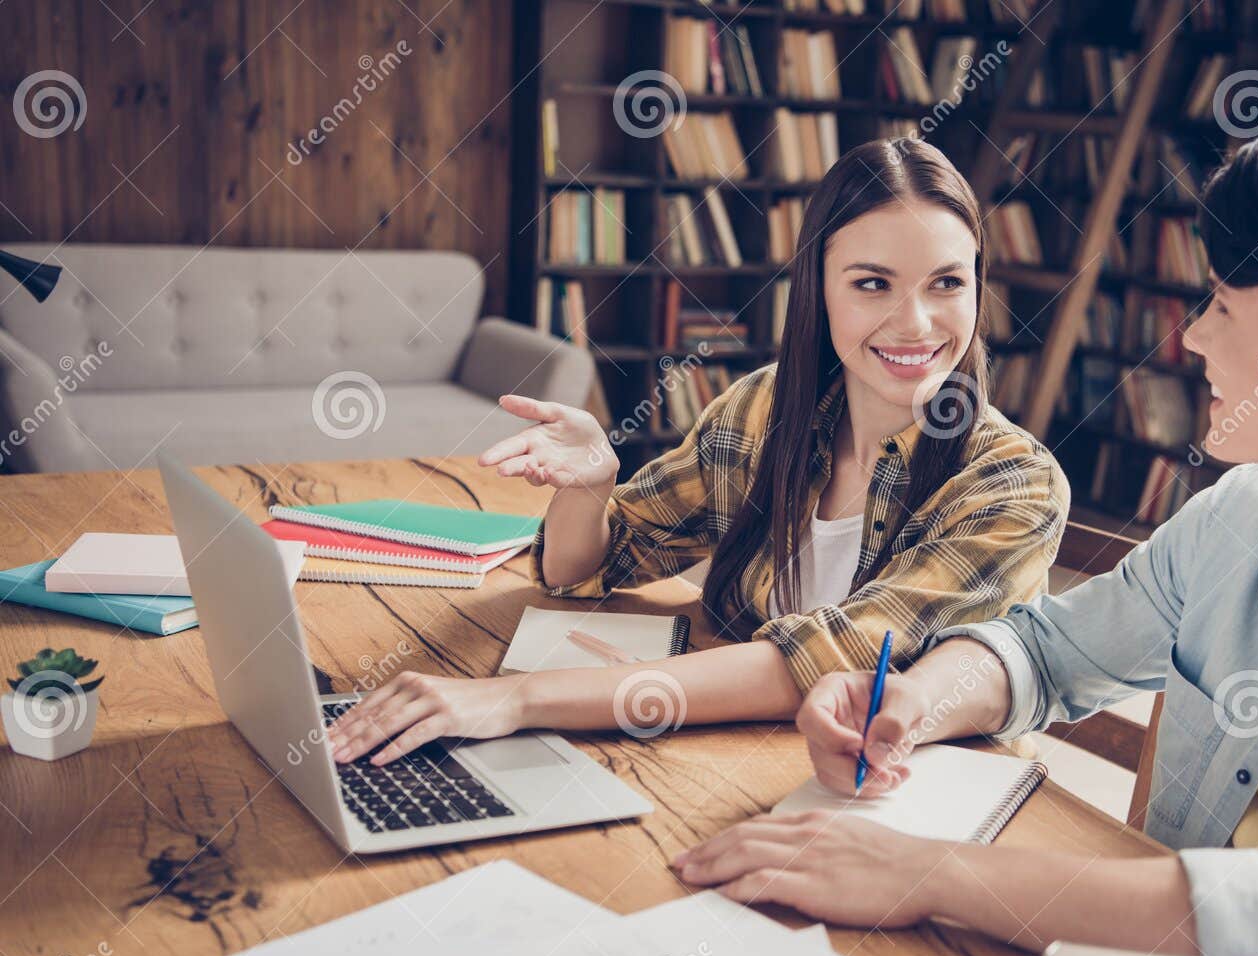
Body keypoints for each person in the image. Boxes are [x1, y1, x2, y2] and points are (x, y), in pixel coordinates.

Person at [677, 110, 1258, 956]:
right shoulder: (1242, 516)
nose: (1194, 335)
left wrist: (930, 874)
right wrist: (916, 702)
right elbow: (1042, 650)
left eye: (1224, 305)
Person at [328, 137, 1067, 765]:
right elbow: (582, 572)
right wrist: (590, 488)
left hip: (905, 795)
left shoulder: (1015, 485)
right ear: (818, 289)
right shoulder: (765, 410)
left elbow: (823, 661)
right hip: (738, 750)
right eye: (873, 283)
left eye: (947, 283)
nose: (916, 323)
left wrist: (517, 698)